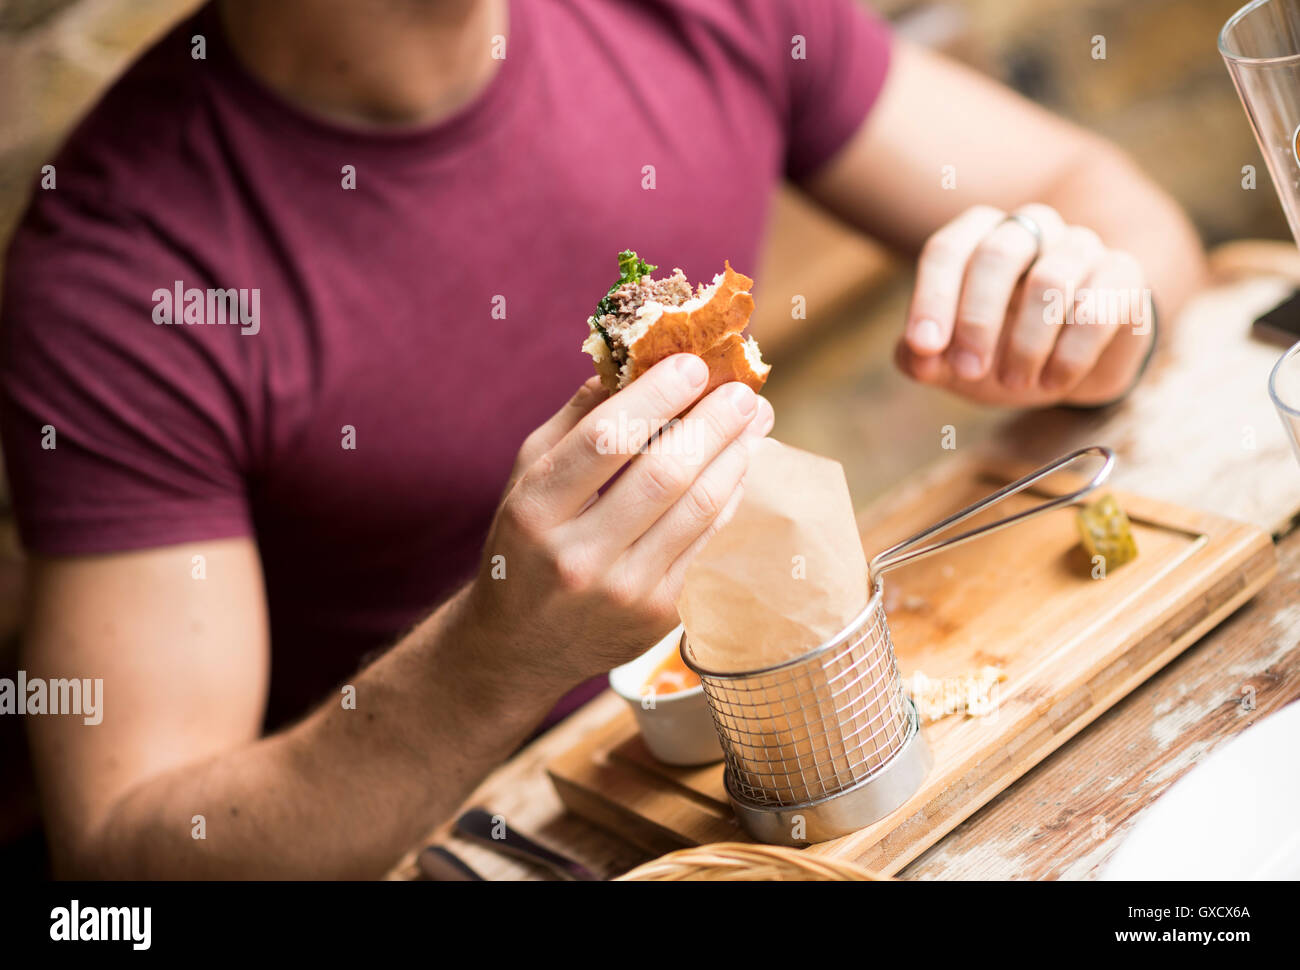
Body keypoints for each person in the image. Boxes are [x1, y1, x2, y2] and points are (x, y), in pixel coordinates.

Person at [0, 0, 1204, 878]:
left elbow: (1101, 194)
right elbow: (124, 861)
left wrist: (1092, 308)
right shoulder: (123, 271)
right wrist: (489, 654)